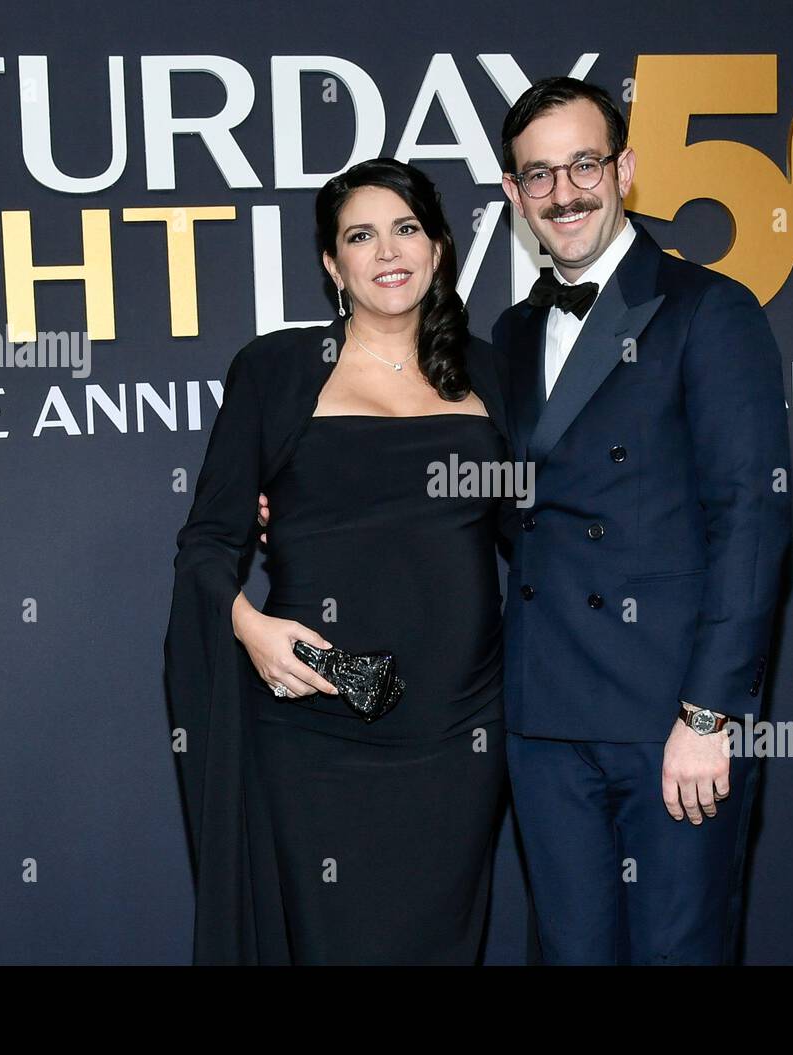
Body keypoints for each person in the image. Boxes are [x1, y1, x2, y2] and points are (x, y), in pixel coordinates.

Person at [164, 158, 512, 965]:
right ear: (332, 263)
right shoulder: (276, 370)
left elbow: (539, 531)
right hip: (316, 725)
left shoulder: (492, 372)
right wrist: (250, 628)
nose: (388, 251)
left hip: (461, 728)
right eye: (361, 235)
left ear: (438, 246)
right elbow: (208, 541)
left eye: (406, 228)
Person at [488, 77, 793, 964]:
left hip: (670, 714)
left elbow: (751, 519)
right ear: (513, 195)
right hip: (543, 719)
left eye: (583, 164)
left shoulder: (709, 309)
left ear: (624, 169)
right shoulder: (507, 335)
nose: (564, 192)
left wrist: (709, 715)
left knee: (677, 952)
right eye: (537, 176)